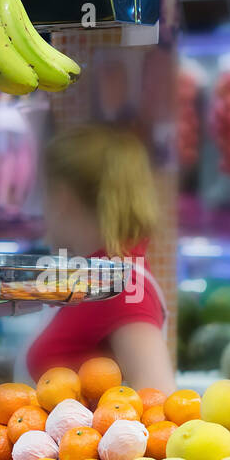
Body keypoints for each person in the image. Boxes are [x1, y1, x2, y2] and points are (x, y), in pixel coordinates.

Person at [25, 125, 176, 392]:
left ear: (63, 199)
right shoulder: (100, 276)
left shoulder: (123, 286)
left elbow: (159, 399)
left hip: (80, 436)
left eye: (43, 195)